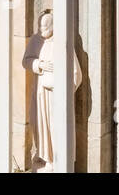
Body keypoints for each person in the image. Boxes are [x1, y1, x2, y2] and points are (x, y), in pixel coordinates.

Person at [26, 9, 81, 170]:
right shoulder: (36, 41)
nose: (41, 30)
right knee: (39, 125)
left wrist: (62, 87)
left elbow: (76, 73)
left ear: (53, 26)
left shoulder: (62, 43)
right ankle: (44, 157)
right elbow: (26, 61)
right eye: (40, 26)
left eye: (45, 27)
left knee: (55, 127)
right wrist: (39, 65)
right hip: (40, 94)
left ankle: (56, 159)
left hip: (56, 96)